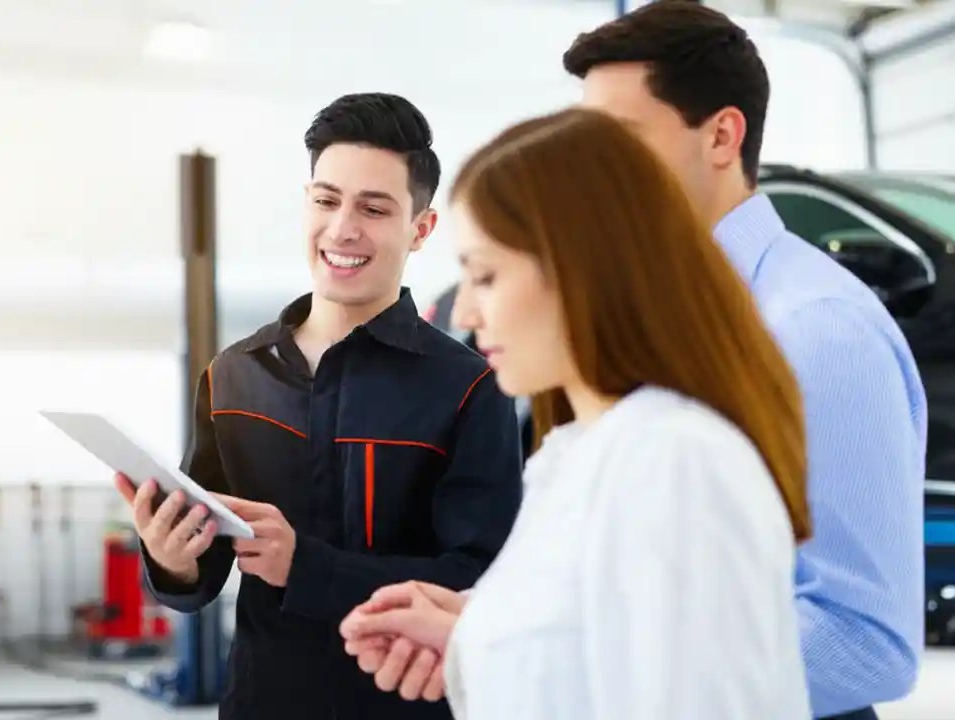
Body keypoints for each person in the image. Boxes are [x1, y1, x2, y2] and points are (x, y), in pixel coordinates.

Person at [341, 107, 813, 718]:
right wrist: (480, 633)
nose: (465, 317)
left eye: (485, 276)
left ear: (581, 268)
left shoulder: (674, 462)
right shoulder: (574, 455)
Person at [561, 4, 928, 719]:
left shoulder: (819, 331)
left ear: (722, 135)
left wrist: (611, 673)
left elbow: (863, 640)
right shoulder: (651, 319)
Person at [114, 92, 523, 720]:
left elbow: (479, 581)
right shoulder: (233, 375)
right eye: (326, 201)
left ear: (422, 228)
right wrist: (171, 558)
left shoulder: (470, 386)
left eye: (374, 208)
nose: (342, 229)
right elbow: (202, 574)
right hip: (261, 701)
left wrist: (307, 567)